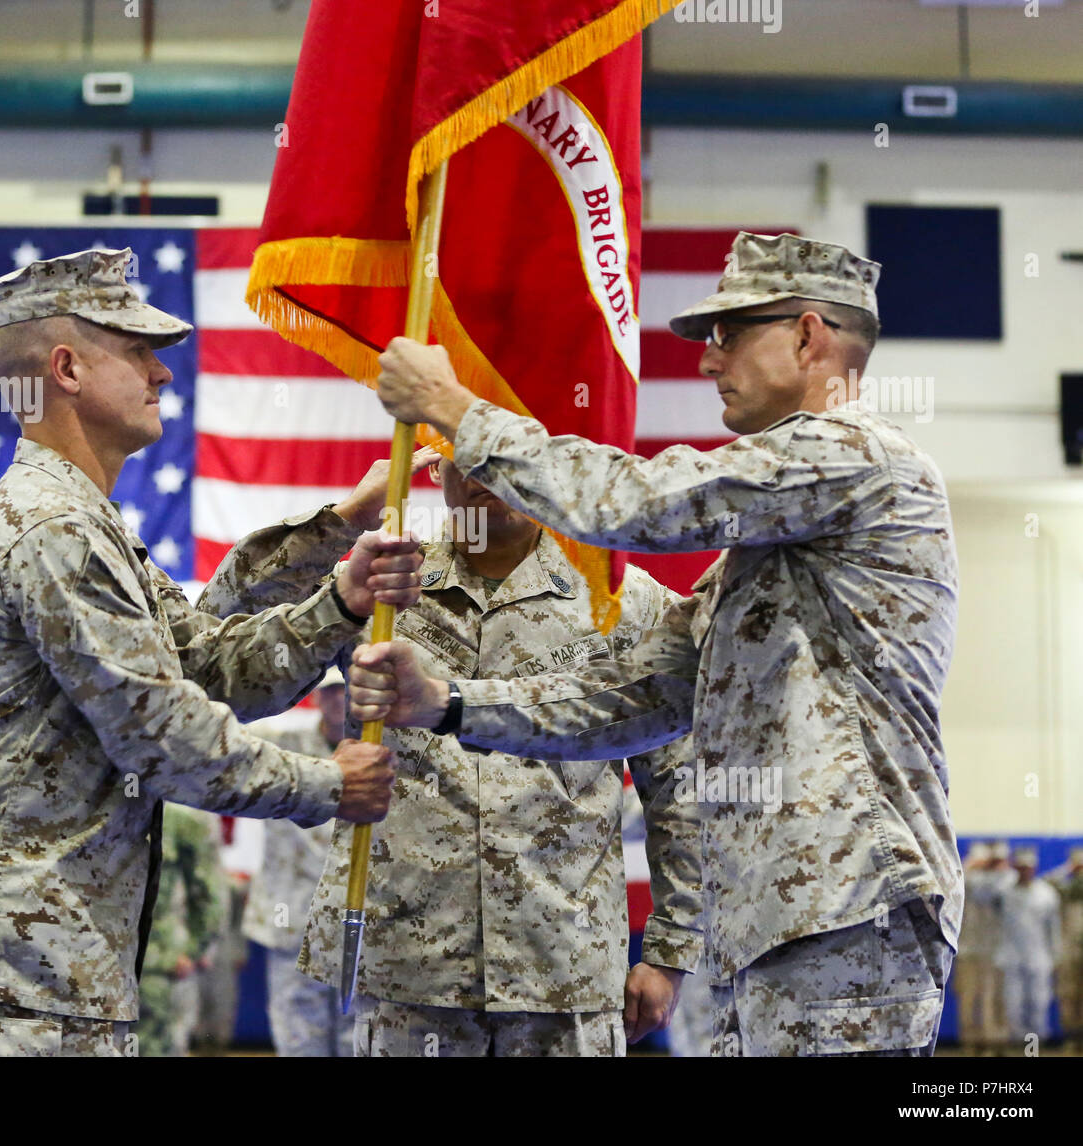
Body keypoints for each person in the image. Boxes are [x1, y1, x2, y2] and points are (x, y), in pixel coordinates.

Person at [355, 231, 964, 1057]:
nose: (709, 363)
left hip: (850, 910)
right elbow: (635, 697)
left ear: (809, 336)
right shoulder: (766, 553)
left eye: (727, 335)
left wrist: (457, 412)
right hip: (781, 921)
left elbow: (637, 503)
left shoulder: (859, 456)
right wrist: (453, 704)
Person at [0, 248, 419, 1057]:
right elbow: (164, 737)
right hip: (15, 960)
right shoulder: (54, 530)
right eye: (137, 350)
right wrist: (328, 784)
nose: (162, 374)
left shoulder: (88, 523)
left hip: (50, 954)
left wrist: (340, 587)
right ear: (66, 368)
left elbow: (211, 672)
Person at [202, 450, 696, 1057]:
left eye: (509, 450)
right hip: (409, 968)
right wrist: (345, 517)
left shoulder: (623, 600)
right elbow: (215, 635)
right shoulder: (382, 583)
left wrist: (670, 954)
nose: (489, 471)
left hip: (563, 969)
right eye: (469, 452)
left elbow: (680, 785)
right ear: (434, 467)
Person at [242, 669, 354, 1057]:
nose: (341, 701)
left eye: (347, 692)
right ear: (318, 698)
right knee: (296, 1036)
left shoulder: (382, 752)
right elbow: (222, 740)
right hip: (289, 917)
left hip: (356, 925)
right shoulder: (282, 746)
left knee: (355, 1034)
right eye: (332, 693)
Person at [134, 803, 225, 1056]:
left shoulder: (183, 815)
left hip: (160, 964)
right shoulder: (108, 800)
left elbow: (210, 893)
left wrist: (193, 950)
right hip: (101, 964)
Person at [979, 846, 1061, 1049]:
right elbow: (980, 895)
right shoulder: (1003, 891)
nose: (1025, 871)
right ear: (1015, 867)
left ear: (1034, 868)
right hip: (1011, 956)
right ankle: (1020, 1044)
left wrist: (1056, 956)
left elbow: (1054, 928)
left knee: (1038, 1003)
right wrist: (994, 869)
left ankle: (1033, 1047)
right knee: (1013, 1004)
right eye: (1021, 867)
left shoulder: (1046, 894)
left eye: (1028, 867)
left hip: (1039, 957)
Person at [955, 842, 1009, 1052]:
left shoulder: (1002, 880)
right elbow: (957, 879)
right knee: (968, 998)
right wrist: (970, 865)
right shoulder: (964, 880)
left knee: (992, 998)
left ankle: (994, 1042)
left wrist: (1000, 867)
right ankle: (970, 1042)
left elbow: (1005, 888)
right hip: (968, 950)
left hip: (995, 952)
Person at [1046, 846, 1083, 1048]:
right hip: (1068, 950)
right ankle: (1072, 1037)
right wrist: (1068, 868)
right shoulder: (1063, 890)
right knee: (1068, 994)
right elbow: (1045, 881)